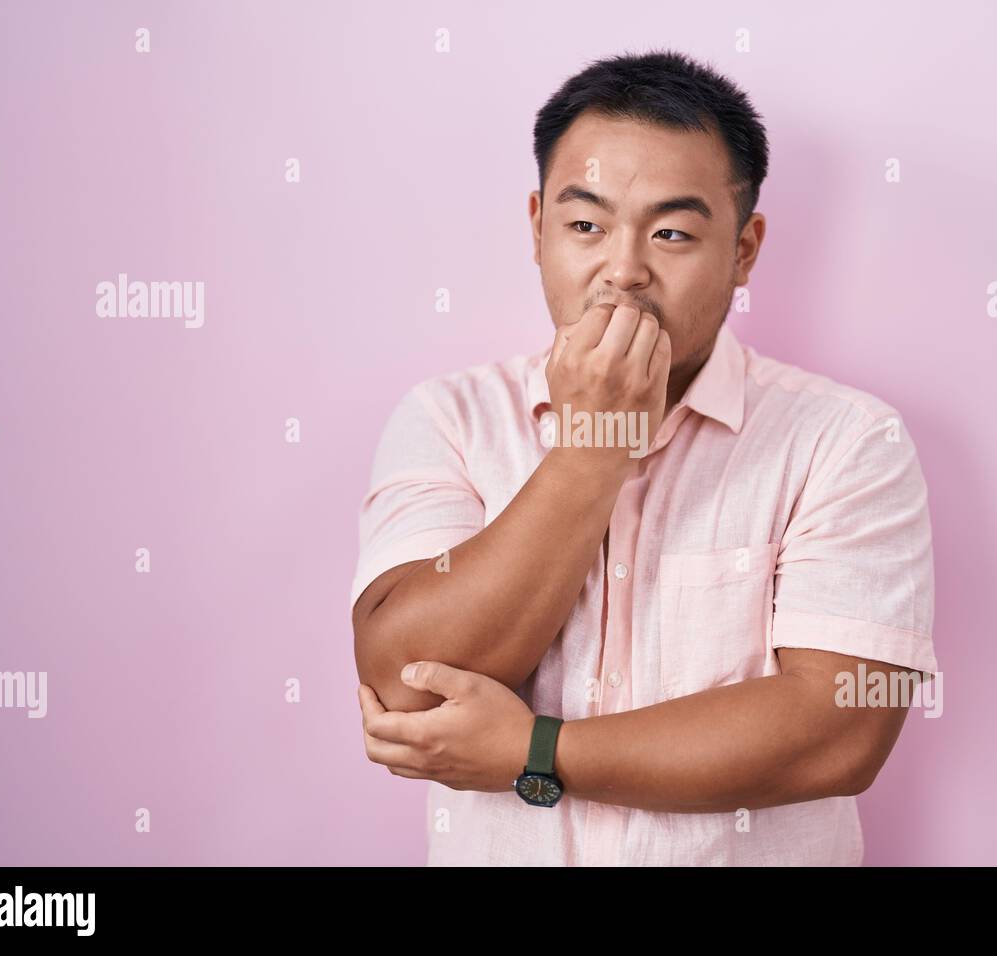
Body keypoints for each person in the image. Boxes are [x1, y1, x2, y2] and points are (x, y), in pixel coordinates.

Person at [351, 48, 937, 866]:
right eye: (584, 225)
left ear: (743, 250)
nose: (622, 272)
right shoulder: (450, 419)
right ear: (536, 227)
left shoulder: (845, 441)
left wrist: (537, 751)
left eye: (671, 232)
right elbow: (407, 684)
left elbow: (839, 732)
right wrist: (592, 447)